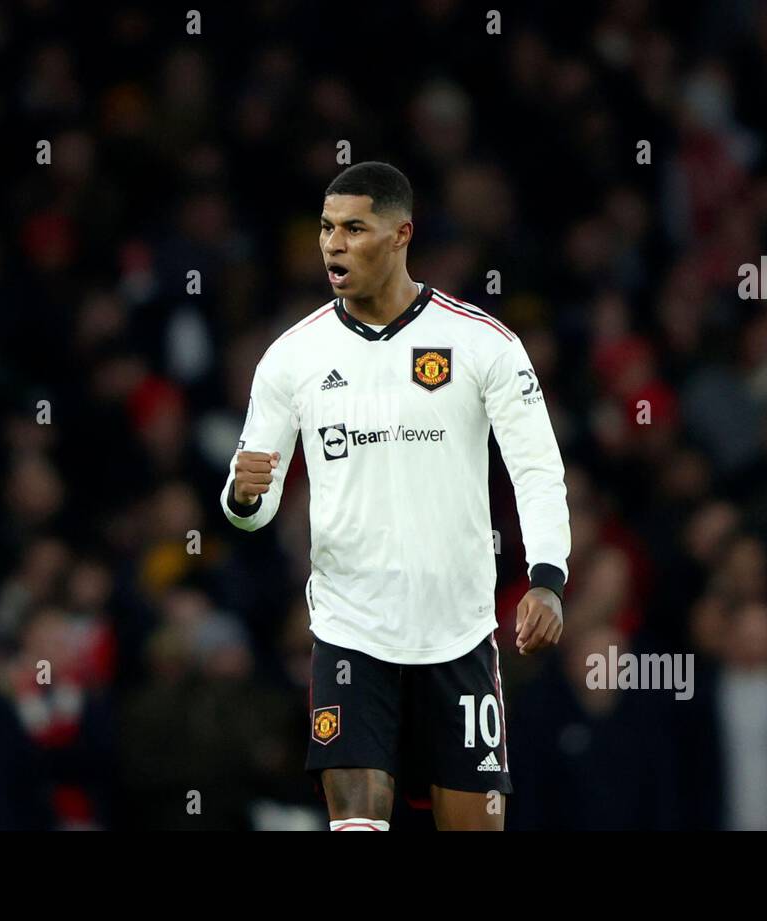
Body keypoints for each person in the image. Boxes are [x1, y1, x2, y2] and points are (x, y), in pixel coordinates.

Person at [219, 161, 571, 830]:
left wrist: (547, 577)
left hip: (458, 633)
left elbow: (537, 469)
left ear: (402, 234)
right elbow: (252, 501)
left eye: (355, 228)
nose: (333, 244)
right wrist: (242, 493)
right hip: (351, 632)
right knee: (356, 821)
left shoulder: (480, 343)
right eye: (326, 228)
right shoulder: (291, 357)